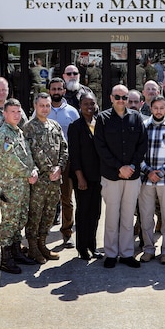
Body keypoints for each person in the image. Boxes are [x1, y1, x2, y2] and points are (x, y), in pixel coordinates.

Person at [94, 84, 147, 268]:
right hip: (111, 176)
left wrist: (131, 166)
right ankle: (110, 253)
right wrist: (119, 167)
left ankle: (126, 254)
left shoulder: (136, 117)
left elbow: (142, 145)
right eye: (117, 97)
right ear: (111, 98)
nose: (121, 101)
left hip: (132, 176)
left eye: (124, 97)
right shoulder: (102, 118)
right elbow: (100, 147)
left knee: (127, 217)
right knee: (111, 216)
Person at [0, 77, 28, 254]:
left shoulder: (18, 112)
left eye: (4, 89)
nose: (1, 92)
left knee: (14, 208)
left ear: (8, 91)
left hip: (13, 170)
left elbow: (24, 135)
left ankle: (15, 242)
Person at [0, 98, 39, 273]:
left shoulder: (18, 132)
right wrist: (29, 173)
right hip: (11, 186)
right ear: (5, 114)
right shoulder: (4, 133)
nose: (16, 114)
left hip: (23, 186)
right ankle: (5, 259)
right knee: (9, 222)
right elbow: (10, 159)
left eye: (18, 111)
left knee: (20, 219)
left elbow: (28, 156)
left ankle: (16, 251)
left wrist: (34, 169)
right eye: (12, 111)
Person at [23, 92, 68, 263]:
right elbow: (31, 152)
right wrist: (50, 169)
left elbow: (64, 148)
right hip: (39, 181)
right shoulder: (29, 127)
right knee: (35, 214)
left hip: (55, 180)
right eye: (42, 105)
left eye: (47, 105)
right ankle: (33, 247)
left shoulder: (54, 125)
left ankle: (42, 244)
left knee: (49, 213)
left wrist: (60, 167)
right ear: (35, 106)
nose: (45, 108)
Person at [138, 96, 165, 265]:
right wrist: (148, 171)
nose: (158, 111)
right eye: (155, 107)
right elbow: (137, 153)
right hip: (146, 180)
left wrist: (161, 172)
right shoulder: (143, 127)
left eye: (161, 108)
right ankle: (148, 249)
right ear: (151, 108)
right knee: (146, 217)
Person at [67, 94, 103, 261]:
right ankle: (82, 248)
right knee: (83, 213)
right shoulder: (75, 126)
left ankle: (92, 246)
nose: (89, 106)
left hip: (98, 177)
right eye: (86, 103)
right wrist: (80, 177)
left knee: (95, 213)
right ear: (80, 105)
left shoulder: (100, 123)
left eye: (92, 103)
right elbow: (74, 155)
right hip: (83, 178)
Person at [47, 77, 79, 247]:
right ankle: (41, 234)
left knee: (66, 199)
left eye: (60, 89)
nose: (57, 92)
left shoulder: (72, 112)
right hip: (46, 163)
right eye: (54, 89)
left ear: (64, 91)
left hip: (66, 162)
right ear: (49, 91)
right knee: (46, 200)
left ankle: (67, 232)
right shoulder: (43, 109)